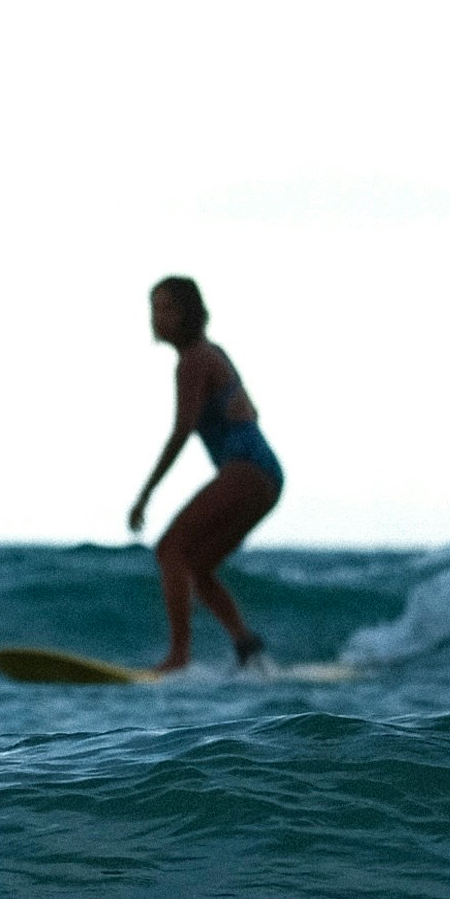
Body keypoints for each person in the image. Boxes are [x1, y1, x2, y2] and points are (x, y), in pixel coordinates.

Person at [129, 273, 282, 672]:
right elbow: (251, 411)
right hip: (265, 474)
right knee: (197, 565)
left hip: (247, 469)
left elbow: (182, 429)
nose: (155, 319)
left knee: (170, 550)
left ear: (187, 313)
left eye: (165, 309)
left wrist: (145, 495)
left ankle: (178, 656)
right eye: (153, 309)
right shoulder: (214, 353)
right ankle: (247, 646)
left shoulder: (194, 361)